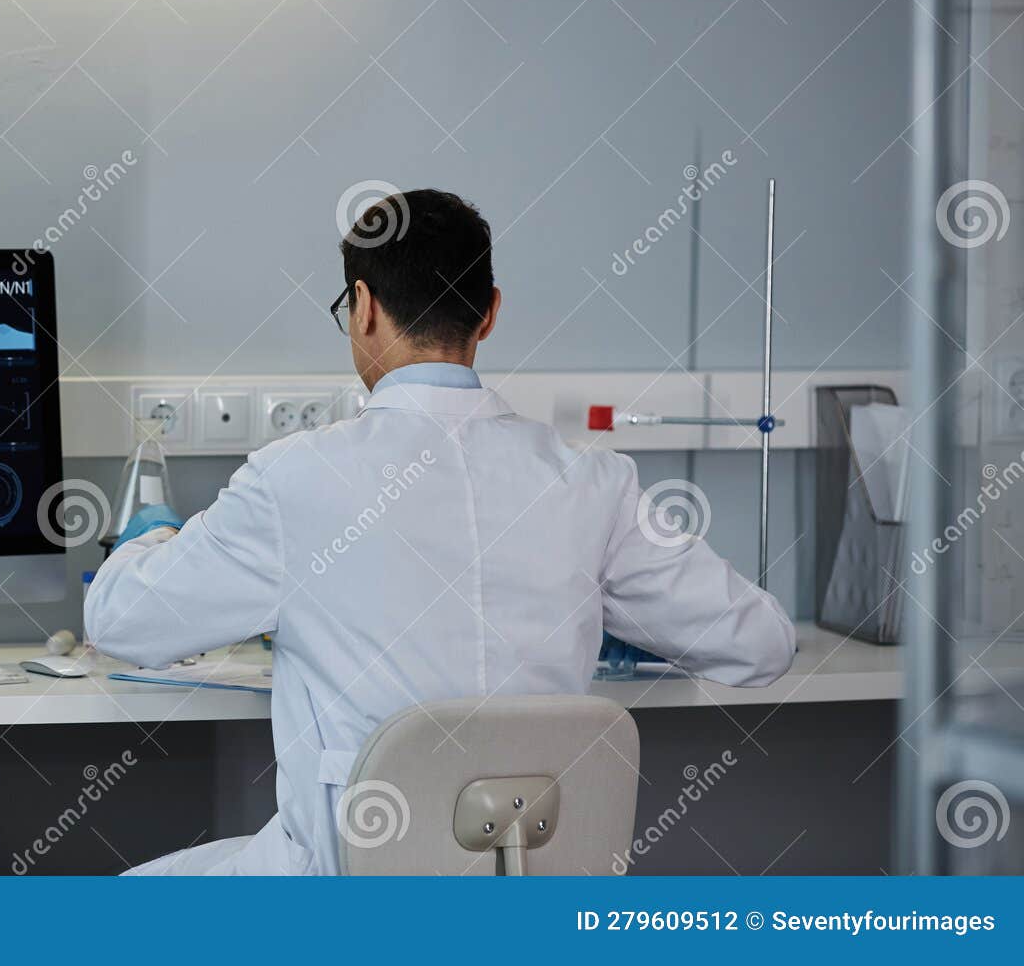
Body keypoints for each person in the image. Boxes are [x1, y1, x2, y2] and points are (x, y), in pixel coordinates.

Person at [83, 188, 795, 876]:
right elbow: (762, 645)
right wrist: (618, 613)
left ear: (362, 308)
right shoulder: (593, 483)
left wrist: (154, 536)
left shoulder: (295, 479)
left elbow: (121, 623)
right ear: (488, 314)